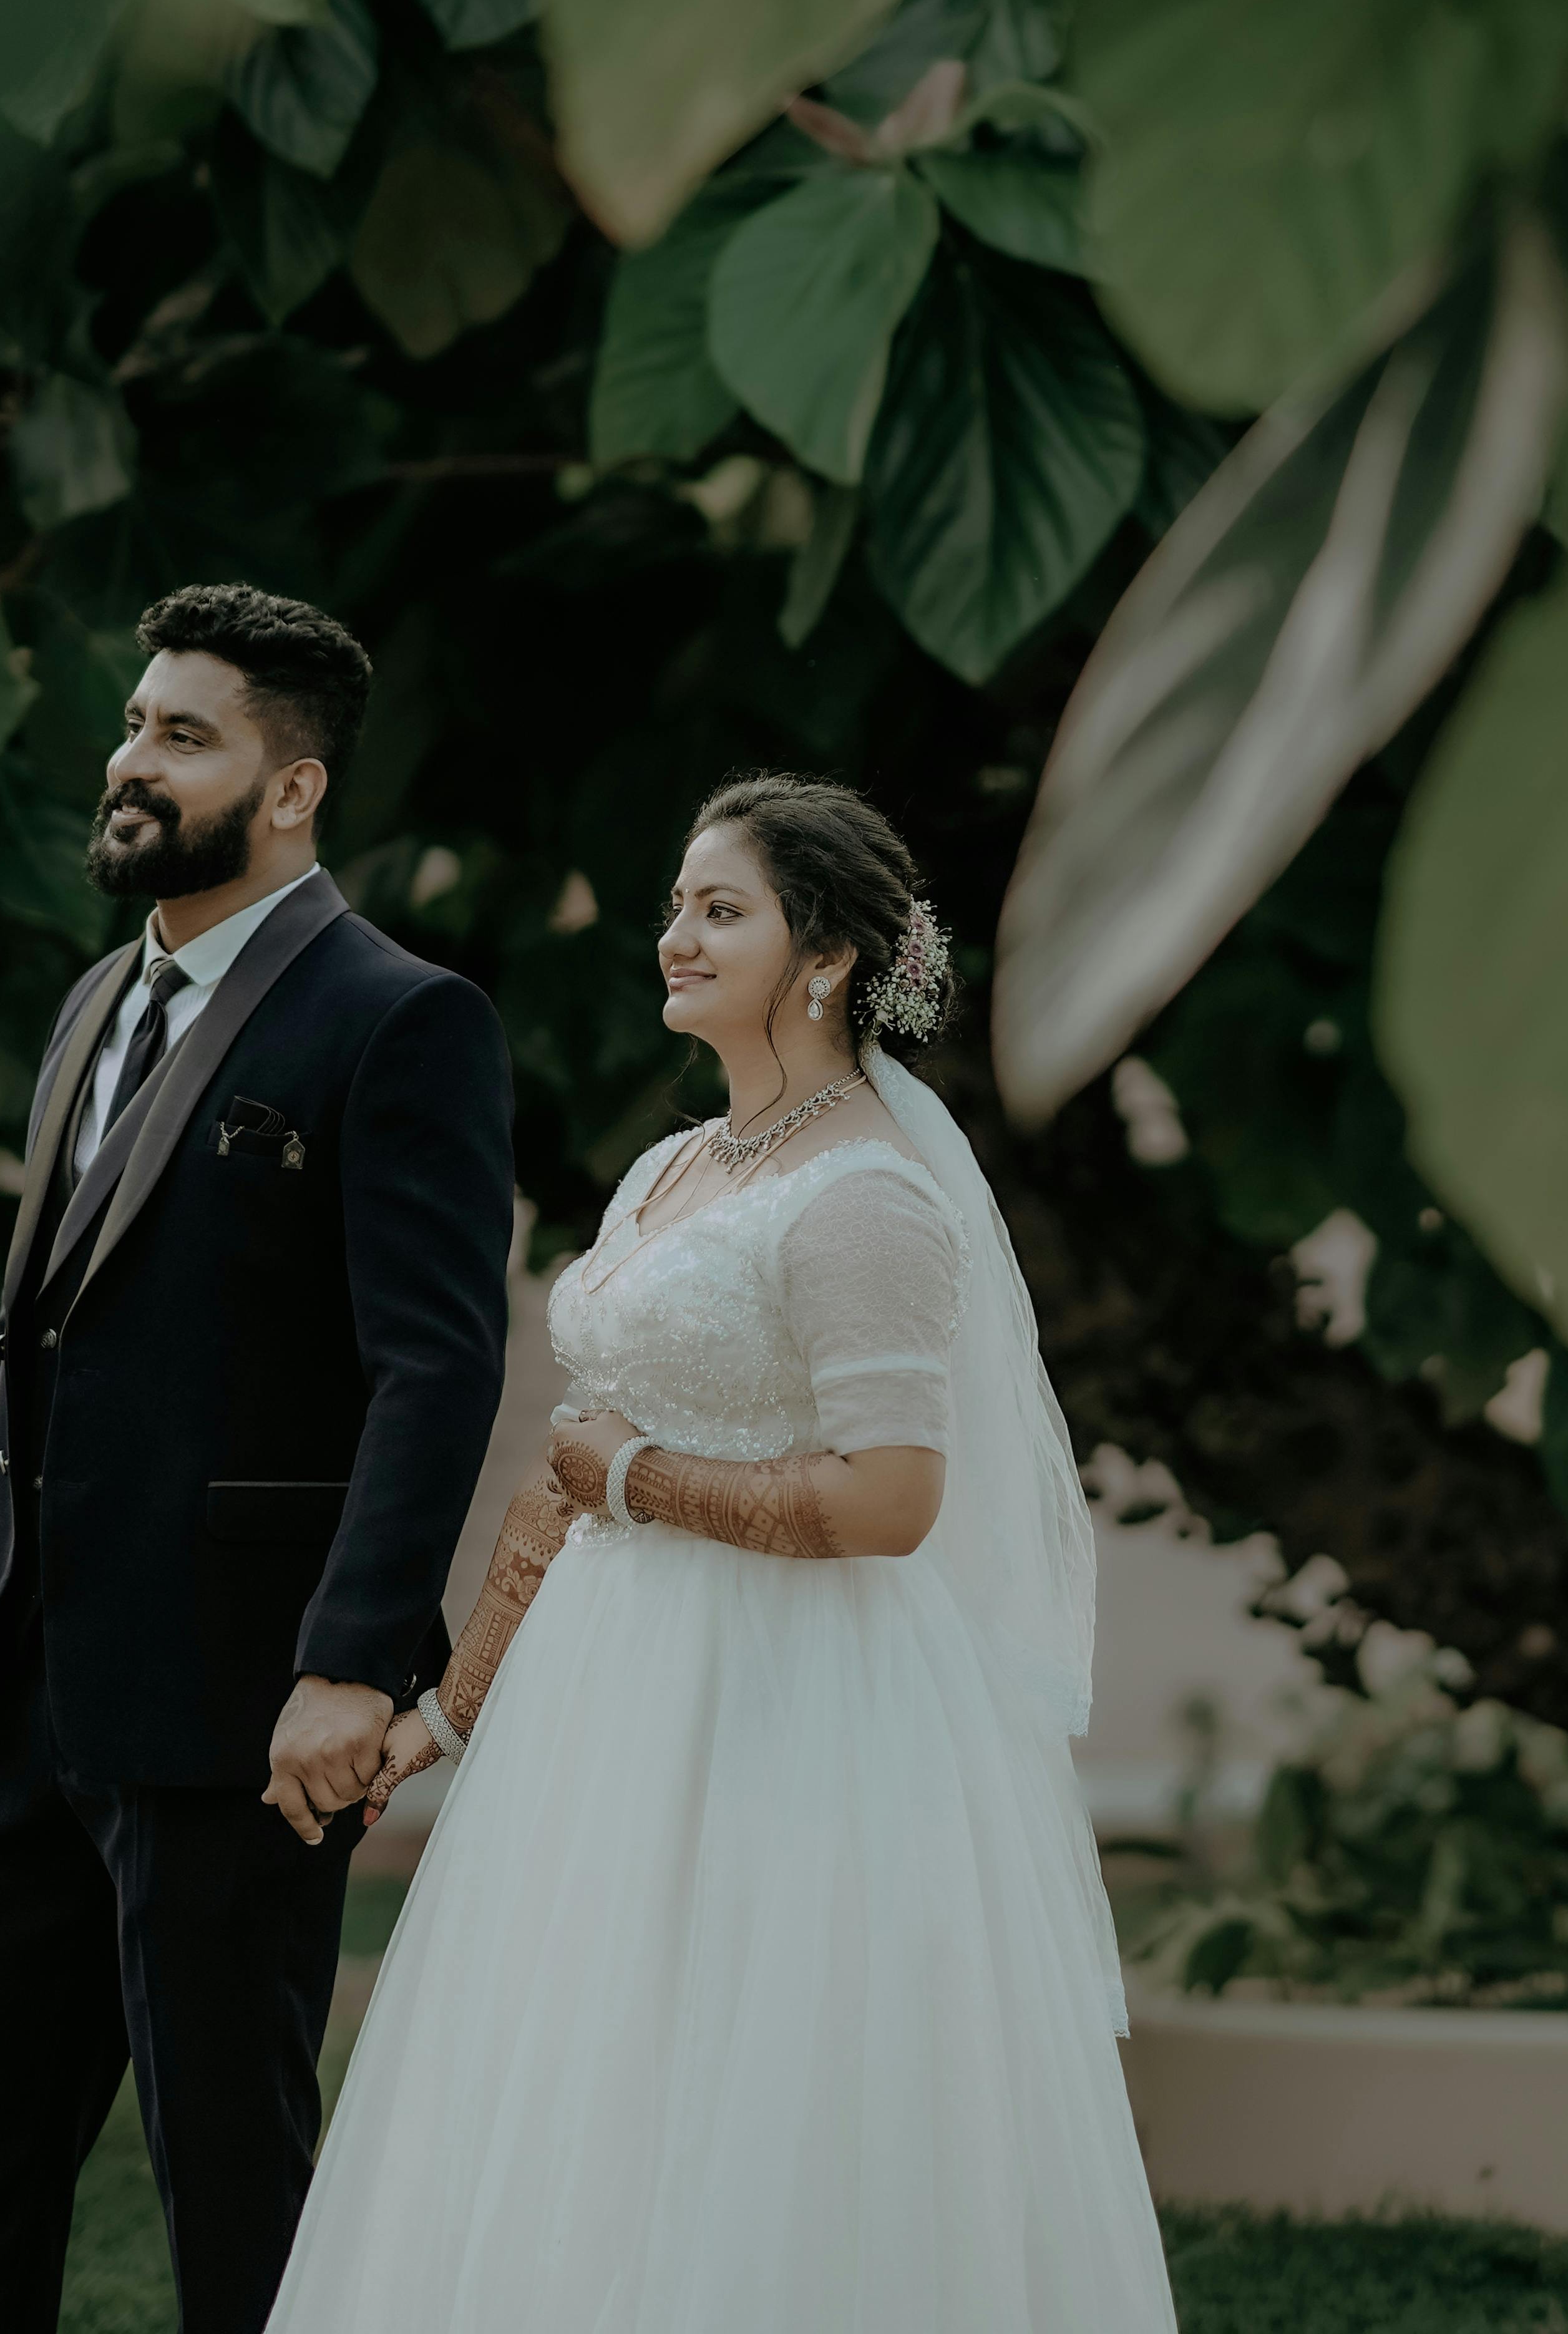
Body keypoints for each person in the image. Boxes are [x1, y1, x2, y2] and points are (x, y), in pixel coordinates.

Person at [261, 773, 1173, 2333]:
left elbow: (890, 1498)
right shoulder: (672, 1170)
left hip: (801, 1710)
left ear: (821, 953)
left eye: (720, 908)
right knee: (577, 2085)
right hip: (601, 1709)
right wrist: (450, 1714)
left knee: (760, 2096)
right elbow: (564, 1475)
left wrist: (644, 1480)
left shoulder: (867, 1195)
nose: (673, 936)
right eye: (679, 905)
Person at [0, 584, 514, 2334]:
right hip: (38, 1682)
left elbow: (435, 1371)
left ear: (290, 791)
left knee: (232, 2168)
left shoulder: (401, 1018)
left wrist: (348, 1662)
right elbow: (28, 1344)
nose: (131, 762)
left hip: (241, 1713)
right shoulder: (91, 1007)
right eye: (137, 724)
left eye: (182, 735)